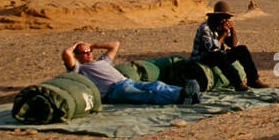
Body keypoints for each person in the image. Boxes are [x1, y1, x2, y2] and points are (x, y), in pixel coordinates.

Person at [62, 40, 200, 105]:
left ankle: (186, 92)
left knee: (155, 85)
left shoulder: (102, 61)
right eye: (83, 53)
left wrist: (90, 45)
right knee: (146, 95)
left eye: (89, 52)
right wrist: (75, 45)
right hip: (113, 91)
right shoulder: (79, 68)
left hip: (125, 81)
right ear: (77, 56)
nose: (88, 54)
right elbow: (66, 53)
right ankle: (180, 96)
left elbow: (115, 44)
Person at [191, 1, 268, 91]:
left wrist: (232, 30)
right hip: (202, 58)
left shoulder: (221, 26)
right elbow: (212, 49)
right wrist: (223, 34)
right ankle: (237, 84)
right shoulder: (205, 28)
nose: (225, 20)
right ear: (216, 16)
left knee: (242, 49)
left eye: (227, 18)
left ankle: (253, 79)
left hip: (217, 55)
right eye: (223, 17)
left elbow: (233, 45)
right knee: (218, 55)